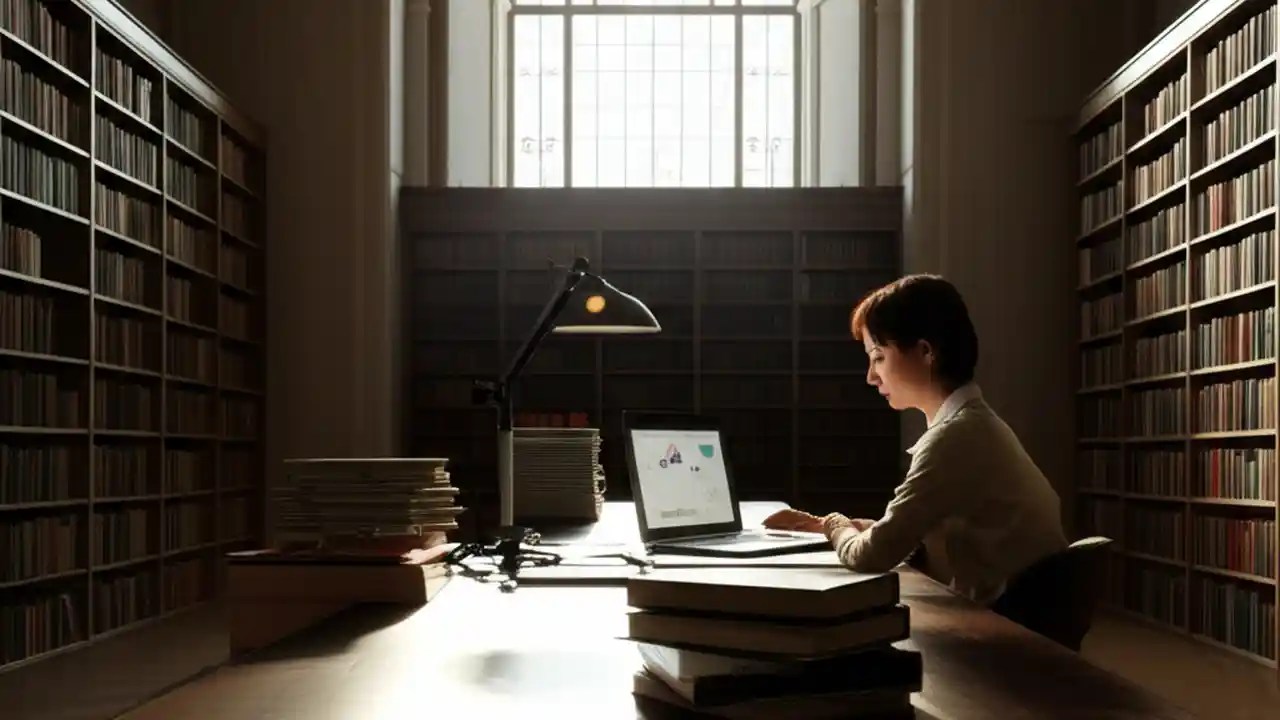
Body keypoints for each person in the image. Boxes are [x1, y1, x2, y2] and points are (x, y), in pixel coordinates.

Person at [764, 274, 1067, 606]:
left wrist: (832, 524)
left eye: (878, 356)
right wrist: (838, 527)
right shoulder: (972, 425)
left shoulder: (954, 438)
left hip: (1005, 630)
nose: (870, 375)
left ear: (925, 352)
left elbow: (871, 556)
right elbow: (908, 535)